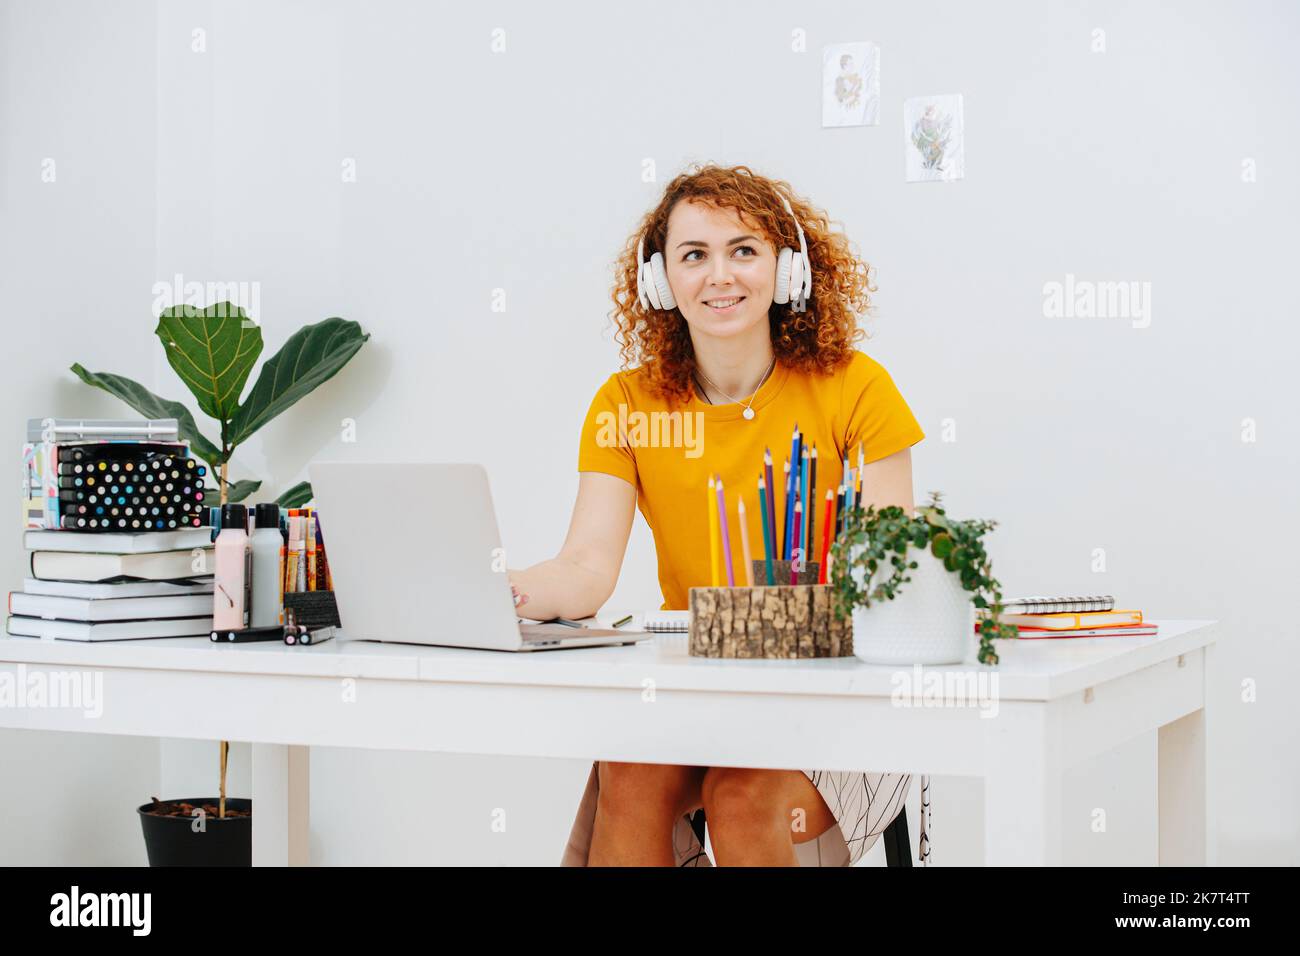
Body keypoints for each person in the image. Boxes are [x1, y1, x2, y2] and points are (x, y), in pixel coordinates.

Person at [510, 163, 925, 866]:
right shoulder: (626, 404)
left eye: (744, 250)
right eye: (694, 255)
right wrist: (506, 590)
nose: (720, 276)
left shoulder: (857, 387)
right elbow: (585, 569)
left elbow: (894, 577)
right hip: (699, 689)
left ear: (786, 269)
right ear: (660, 280)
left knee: (741, 796)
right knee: (631, 772)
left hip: (837, 695)